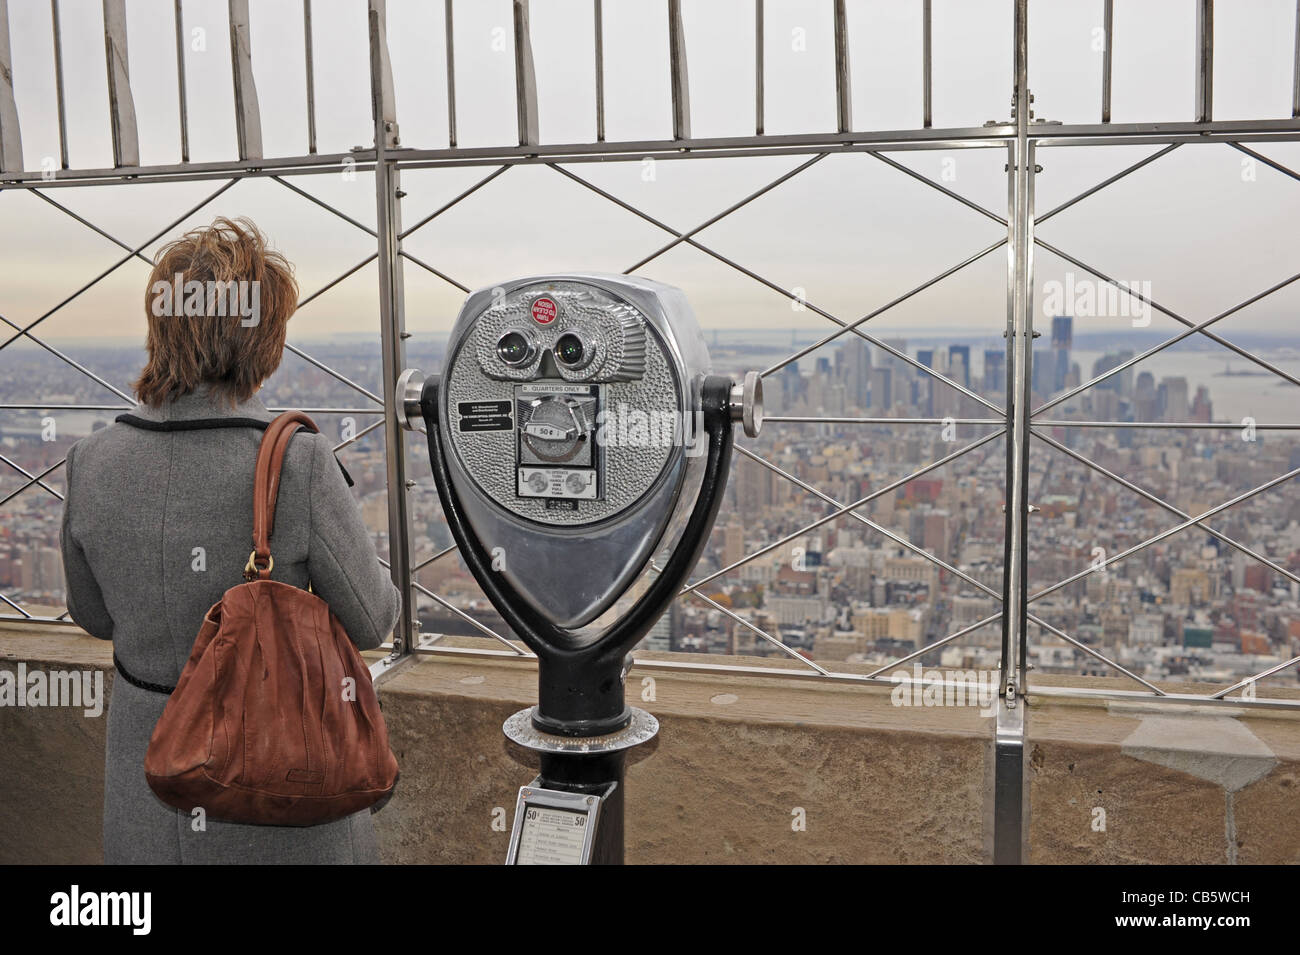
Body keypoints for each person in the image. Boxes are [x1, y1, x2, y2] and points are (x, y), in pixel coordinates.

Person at [59, 216, 402, 864]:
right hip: (274, 806)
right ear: (263, 339)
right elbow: (372, 617)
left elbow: (94, 616)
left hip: (146, 800)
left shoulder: (91, 460)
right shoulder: (296, 463)